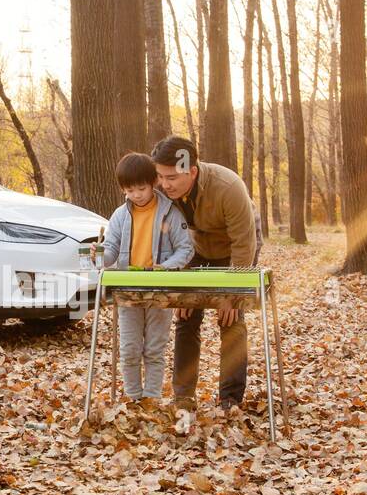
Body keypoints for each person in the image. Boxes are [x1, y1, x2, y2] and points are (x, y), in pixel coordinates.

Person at [151, 135, 261, 411]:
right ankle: (183, 396)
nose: (165, 184)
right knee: (186, 316)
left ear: (193, 171)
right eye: (161, 177)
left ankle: (229, 398)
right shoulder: (162, 192)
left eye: (172, 178)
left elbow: (244, 244)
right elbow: (166, 241)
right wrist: (182, 291)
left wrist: (230, 294)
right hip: (195, 250)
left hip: (236, 249)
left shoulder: (228, 187)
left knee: (231, 319)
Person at [94, 153, 194, 403]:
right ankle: (132, 398)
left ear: (153, 183)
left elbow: (185, 248)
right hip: (129, 291)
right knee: (129, 350)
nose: (137, 195)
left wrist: (167, 268)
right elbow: (111, 250)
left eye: (142, 188)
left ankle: (151, 399)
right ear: (123, 189)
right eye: (130, 190)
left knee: (154, 349)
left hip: (160, 290)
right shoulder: (119, 216)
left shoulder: (170, 212)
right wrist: (98, 255)